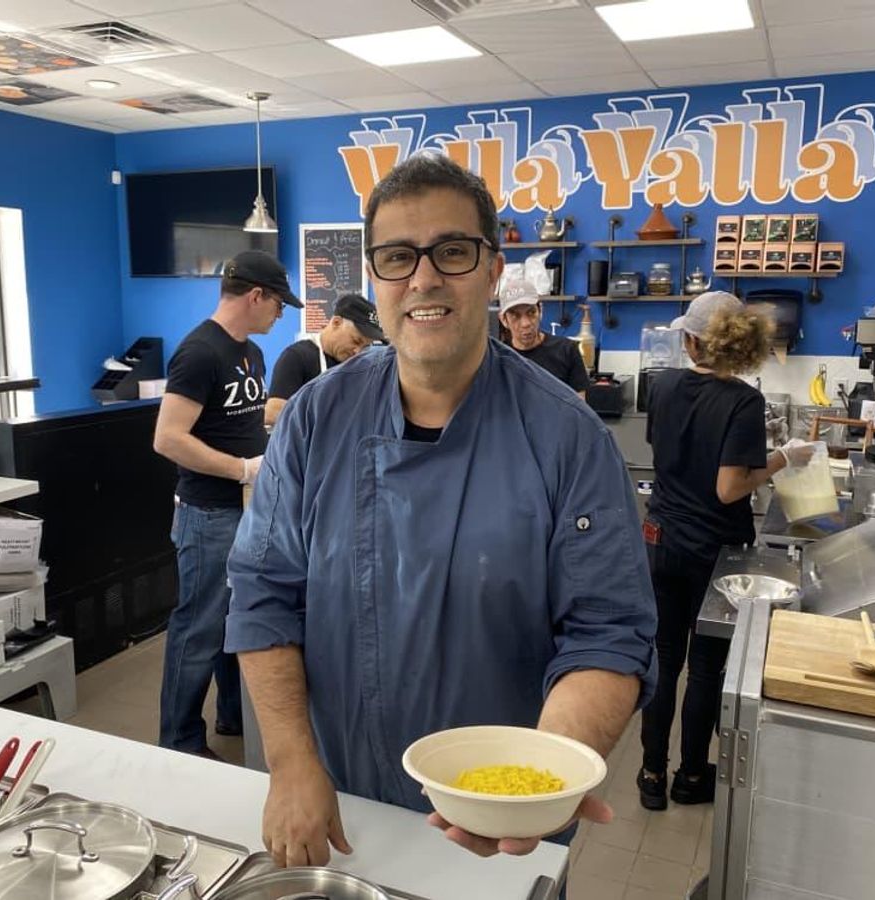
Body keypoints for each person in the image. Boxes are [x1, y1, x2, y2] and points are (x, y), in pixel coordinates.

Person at [226, 153, 657, 868]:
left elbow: (607, 632)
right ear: (374, 278)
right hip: (342, 804)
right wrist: (290, 761)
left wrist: (544, 778)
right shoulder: (315, 420)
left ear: (492, 270)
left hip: (504, 834)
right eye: (398, 256)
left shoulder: (566, 437)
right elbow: (263, 594)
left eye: (452, 252)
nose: (423, 278)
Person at [638, 291, 812, 811]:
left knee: (664, 660)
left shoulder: (663, 386)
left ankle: (650, 774)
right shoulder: (743, 400)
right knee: (706, 667)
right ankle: (692, 776)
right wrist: (784, 457)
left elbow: (669, 454)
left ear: (692, 341)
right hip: (714, 551)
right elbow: (730, 488)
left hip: (661, 539)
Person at [153, 249, 301, 756]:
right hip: (207, 514)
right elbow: (168, 438)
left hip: (247, 508)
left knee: (238, 618)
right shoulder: (200, 352)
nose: (281, 314)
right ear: (256, 295)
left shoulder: (251, 353)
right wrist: (242, 469)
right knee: (198, 629)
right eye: (279, 303)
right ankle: (179, 741)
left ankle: (233, 718)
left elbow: (240, 423)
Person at [264, 293, 384, 427]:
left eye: (365, 346)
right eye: (355, 341)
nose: (358, 351)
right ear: (336, 323)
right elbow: (272, 412)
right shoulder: (297, 356)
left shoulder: (359, 365)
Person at [498, 280, 590, 398]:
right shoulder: (498, 359)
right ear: (503, 320)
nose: (525, 323)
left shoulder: (567, 351)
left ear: (540, 311)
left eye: (531, 312)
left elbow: (580, 409)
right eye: (515, 316)